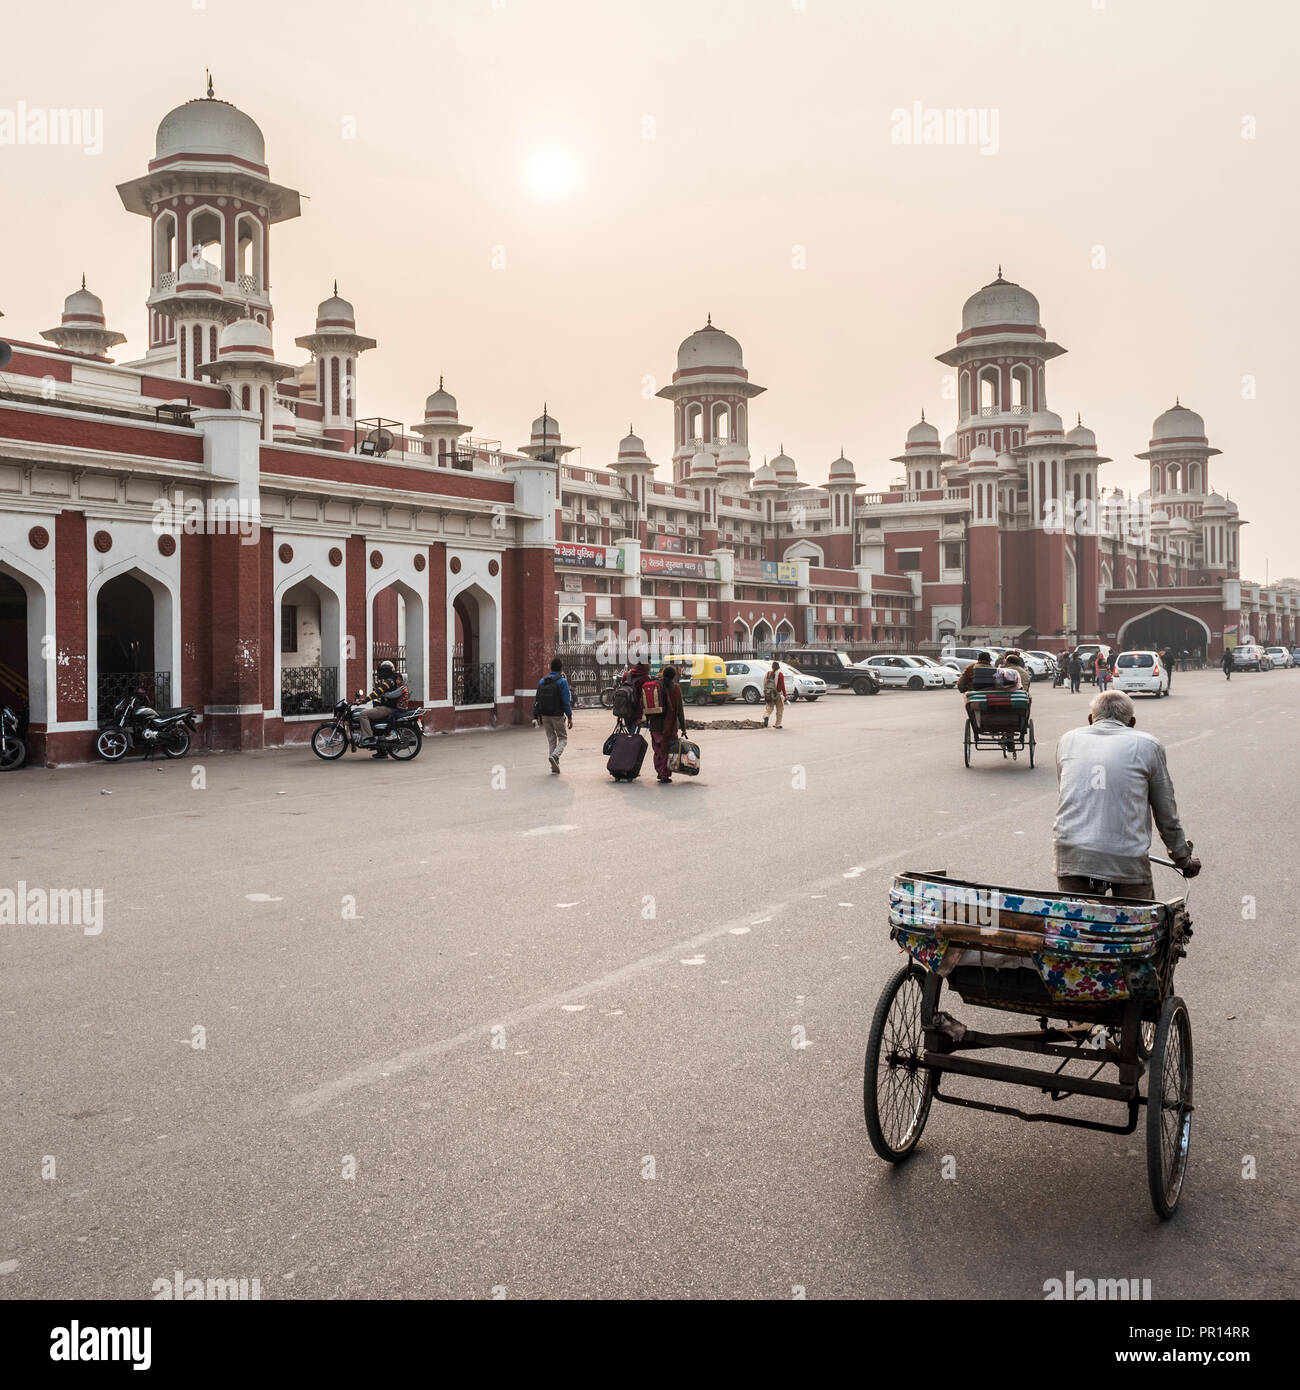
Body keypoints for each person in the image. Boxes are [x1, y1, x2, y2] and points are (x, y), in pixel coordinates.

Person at [1053, 690, 1201, 899]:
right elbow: (1166, 813)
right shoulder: (1148, 745)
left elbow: (1066, 791)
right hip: (1126, 857)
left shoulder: (1067, 740)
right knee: (1137, 925)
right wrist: (1183, 859)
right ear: (1131, 722)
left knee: (1078, 925)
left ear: (1090, 719)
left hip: (1071, 854)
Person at [646, 662, 688, 783]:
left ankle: (659, 771)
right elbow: (680, 710)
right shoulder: (676, 689)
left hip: (655, 725)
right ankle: (665, 774)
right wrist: (683, 728)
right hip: (670, 727)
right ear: (674, 676)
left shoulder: (656, 686)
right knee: (668, 750)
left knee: (658, 750)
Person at [356, 659, 405, 758]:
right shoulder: (393, 679)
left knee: (363, 714)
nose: (379, 673)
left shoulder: (389, 681)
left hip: (388, 708)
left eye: (381, 671)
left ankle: (368, 738)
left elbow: (378, 692)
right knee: (373, 723)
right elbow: (383, 694)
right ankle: (382, 750)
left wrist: (364, 701)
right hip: (389, 706)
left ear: (384, 671)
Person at [533, 656, 573, 774]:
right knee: (563, 738)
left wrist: (536, 716)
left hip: (545, 715)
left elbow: (537, 700)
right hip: (557, 715)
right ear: (561, 669)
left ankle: (554, 767)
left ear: (550, 668)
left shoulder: (542, 681)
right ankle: (555, 757)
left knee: (551, 739)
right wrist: (569, 716)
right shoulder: (562, 682)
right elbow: (566, 702)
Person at [762, 660, 786, 728]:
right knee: (780, 709)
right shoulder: (780, 674)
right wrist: (784, 694)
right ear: (778, 667)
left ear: (772, 667)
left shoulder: (768, 674)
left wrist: (766, 693)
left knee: (769, 708)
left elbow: (764, 684)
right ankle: (777, 724)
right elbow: (782, 686)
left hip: (769, 693)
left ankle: (766, 716)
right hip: (777, 694)